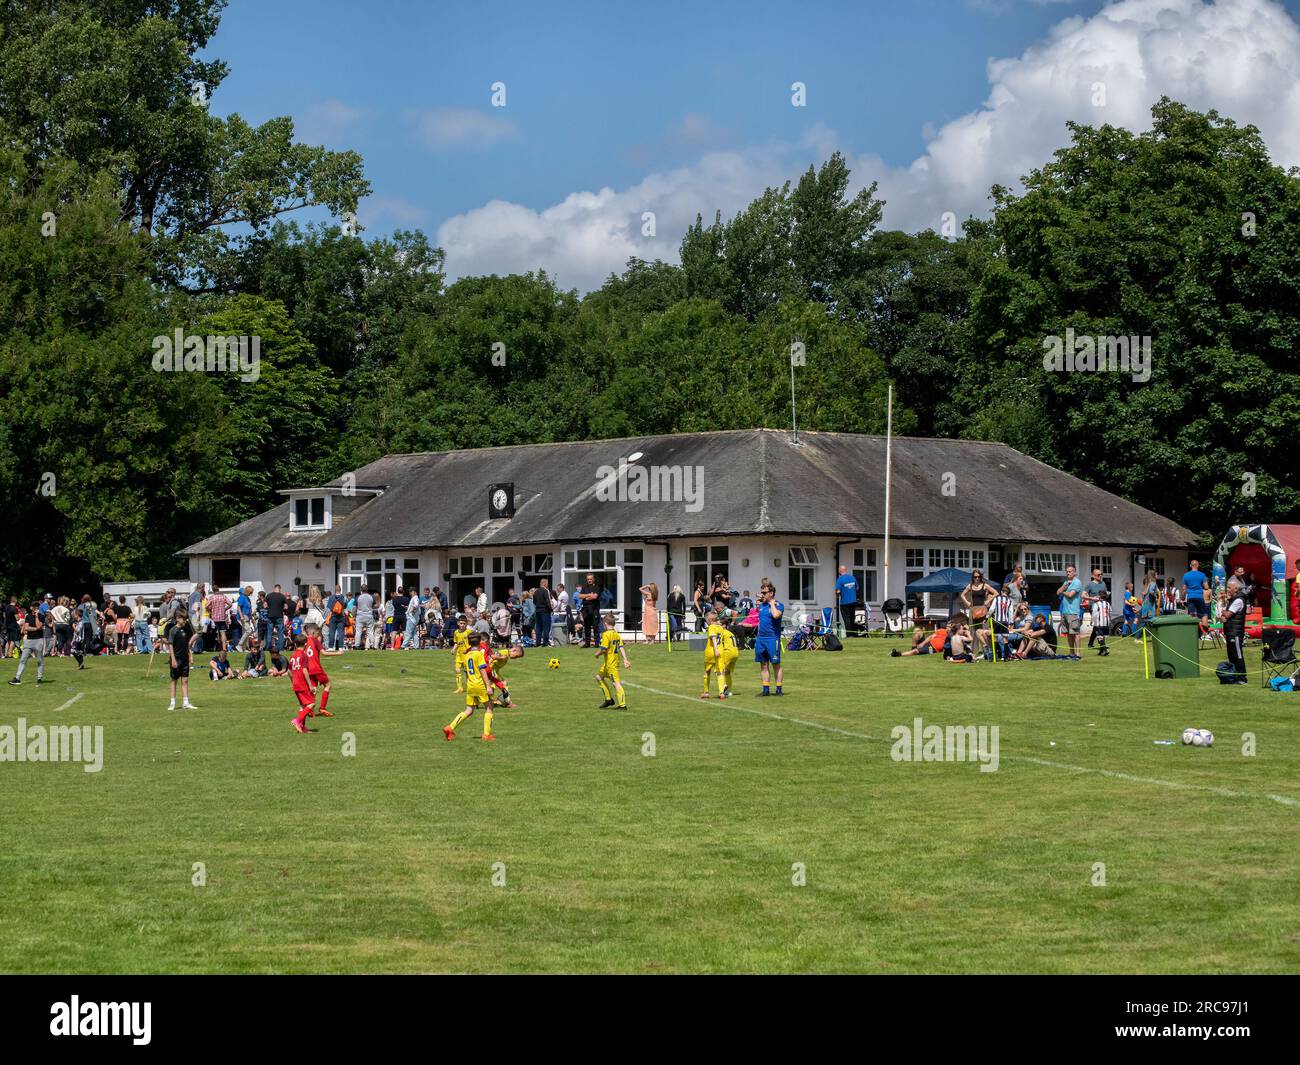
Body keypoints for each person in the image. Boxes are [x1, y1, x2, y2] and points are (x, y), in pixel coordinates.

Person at [443, 637, 496, 741]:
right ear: (479, 642)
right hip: (480, 685)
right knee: (489, 707)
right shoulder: (479, 654)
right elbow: (482, 670)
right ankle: (486, 734)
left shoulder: (467, 655)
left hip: (470, 685)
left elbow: (467, 672)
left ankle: (450, 727)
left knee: (469, 710)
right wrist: (488, 686)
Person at [755, 581, 785, 696]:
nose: (762, 594)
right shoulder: (762, 606)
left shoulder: (779, 605)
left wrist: (772, 604)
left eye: (764, 592)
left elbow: (776, 615)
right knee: (763, 664)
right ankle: (766, 689)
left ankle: (778, 689)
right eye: (762, 592)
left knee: (775, 664)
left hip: (772, 639)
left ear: (771, 593)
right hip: (761, 639)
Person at [595, 612, 630, 709]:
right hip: (608, 663)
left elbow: (604, 649)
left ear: (605, 623)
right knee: (598, 677)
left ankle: (623, 705)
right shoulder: (616, 634)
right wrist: (625, 660)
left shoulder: (606, 634)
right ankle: (608, 700)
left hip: (611, 664)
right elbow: (621, 647)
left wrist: (597, 654)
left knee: (616, 683)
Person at [166, 607, 198, 710]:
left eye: (186, 619)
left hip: (185, 659)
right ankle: (172, 702)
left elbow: (187, 644)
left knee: (185, 680)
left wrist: (190, 656)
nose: (185, 621)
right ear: (177, 618)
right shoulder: (173, 630)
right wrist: (173, 659)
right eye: (183, 619)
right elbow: (170, 645)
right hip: (176, 659)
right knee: (174, 680)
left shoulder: (186, 629)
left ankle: (186, 702)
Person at [8, 601, 47, 685]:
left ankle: (39, 678)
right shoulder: (28, 616)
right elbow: (26, 628)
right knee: (23, 659)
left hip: (38, 640)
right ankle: (17, 678)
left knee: (40, 660)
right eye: (34, 606)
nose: (36, 607)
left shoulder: (41, 616)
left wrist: (36, 617)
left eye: (37, 606)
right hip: (29, 641)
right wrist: (36, 628)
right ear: (31, 607)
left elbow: (39, 625)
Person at [704, 609, 739, 698]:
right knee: (722, 672)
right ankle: (722, 693)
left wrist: (715, 649)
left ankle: (706, 692)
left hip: (713, 651)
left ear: (710, 621)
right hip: (723, 651)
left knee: (707, 671)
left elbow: (713, 638)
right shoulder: (721, 628)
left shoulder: (711, 627)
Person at [287, 634, 318, 734]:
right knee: (311, 703)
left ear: (295, 644)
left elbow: (289, 672)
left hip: (296, 683)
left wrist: (293, 681)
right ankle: (297, 720)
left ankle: (302, 728)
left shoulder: (292, 655)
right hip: (302, 683)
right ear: (305, 644)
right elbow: (304, 670)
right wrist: (310, 685)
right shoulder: (303, 655)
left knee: (303, 705)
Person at [1221, 578, 1248, 684]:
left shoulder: (1238, 600)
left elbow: (1227, 614)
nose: (1227, 589)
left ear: (1236, 588)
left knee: (1238, 655)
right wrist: (1224, 615)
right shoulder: (1232, 599)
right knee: (1231, 656)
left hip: (1236, 633)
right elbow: (1224, 616)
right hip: (1230, 631)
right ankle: (1234, 676)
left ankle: (1242, 678)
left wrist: (1224, 614)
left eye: (1229, 587)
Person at [303, 622, 334, 716]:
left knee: (314, 688)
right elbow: (324, 653)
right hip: (317, 668)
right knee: (328, 685)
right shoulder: (315, 640)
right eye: (317, 633)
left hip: (308, 669)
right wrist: (338, 653)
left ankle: (309, 709)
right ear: (313, 633)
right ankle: (322, 708)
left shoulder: (304, 641)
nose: (318, 635)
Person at [1056, 564, 1083, 660]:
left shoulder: (1077, 582)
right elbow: (1057, 592)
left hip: (1073, 611)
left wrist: (1063, 591)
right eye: (1067, 571)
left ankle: (1078, 653)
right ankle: (1071, 652)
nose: (1068, 573)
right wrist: (1063, 588)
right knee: (1068, 633)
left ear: (1074, 572)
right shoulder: (1066, 582)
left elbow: (1071, 595)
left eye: (1070, 571)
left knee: (1075, 633)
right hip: (1065, 611)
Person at [1083, 567, 1111, 657]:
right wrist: (1092, 598)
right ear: (1093, 576)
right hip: (1094, 607)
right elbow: (1083, 595)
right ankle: (1103, 647)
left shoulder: (1103, 583)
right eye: (1099, 574)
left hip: (1102, 607)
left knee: (1097, 627)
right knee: (1098, 626)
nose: (1101, 576)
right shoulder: (1089, 585)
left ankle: (1091, 644)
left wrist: (1106, 595)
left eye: (1101, 574)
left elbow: (1105, 593)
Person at [834, 565, 860, 637]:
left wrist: (837, 598)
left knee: (846, 619)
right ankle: (854, 633)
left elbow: (838, 591)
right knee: (852, 617)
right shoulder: (852, 577)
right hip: (853, 602)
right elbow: (857, 588)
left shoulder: (840, 580)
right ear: (846, 570)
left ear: (840, 571)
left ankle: (849, 635)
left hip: (844, 603)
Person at [577, 574, 601, 648]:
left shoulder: (596, 587)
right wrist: (588, 595)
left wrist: (586, 597)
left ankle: (597, 644)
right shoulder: (584, 587)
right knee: (587, 627)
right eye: (588, 579)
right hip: (586, 609)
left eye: (590, 579)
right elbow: (580, 596)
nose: (589, 580)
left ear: (593, 579)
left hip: (594, 609)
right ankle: (587, 643)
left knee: (595, 627)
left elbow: (594, 597)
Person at [451, 614, 472, 692]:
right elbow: (456, 642)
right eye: (461, 623)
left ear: (466, 623)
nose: (462, 625)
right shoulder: (456, 632)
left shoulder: (469, 632)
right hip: (459, 655)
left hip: (467, 655)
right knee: (457, 670)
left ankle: (470, 687)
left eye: (464, 623)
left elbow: (472, 643)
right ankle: (460, 688)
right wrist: (453, 649)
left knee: (468, 672)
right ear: (458, 623)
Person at [264, 583, 287, 652]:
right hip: (279, 616)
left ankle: (268, 647)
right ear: (279, 589)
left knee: (269, 632)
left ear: (274, 588)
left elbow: (265, 606)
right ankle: (281, 648)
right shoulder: (282, 596)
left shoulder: (268, 595)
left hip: (270, 616)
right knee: (280, 632)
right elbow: (286, 607)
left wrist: (270, 607)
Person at [533, 579, 553, 648]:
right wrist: (551, 609)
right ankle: (545, 643)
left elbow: (534, 602)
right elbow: (548, 602)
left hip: (538, 611)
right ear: (544, 583)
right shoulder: (546, 590)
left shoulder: (536, 591)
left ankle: (538, 643)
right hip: (545, 611)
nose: (548, 585)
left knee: (538, 628)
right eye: (547, 583)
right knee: (546, 627)